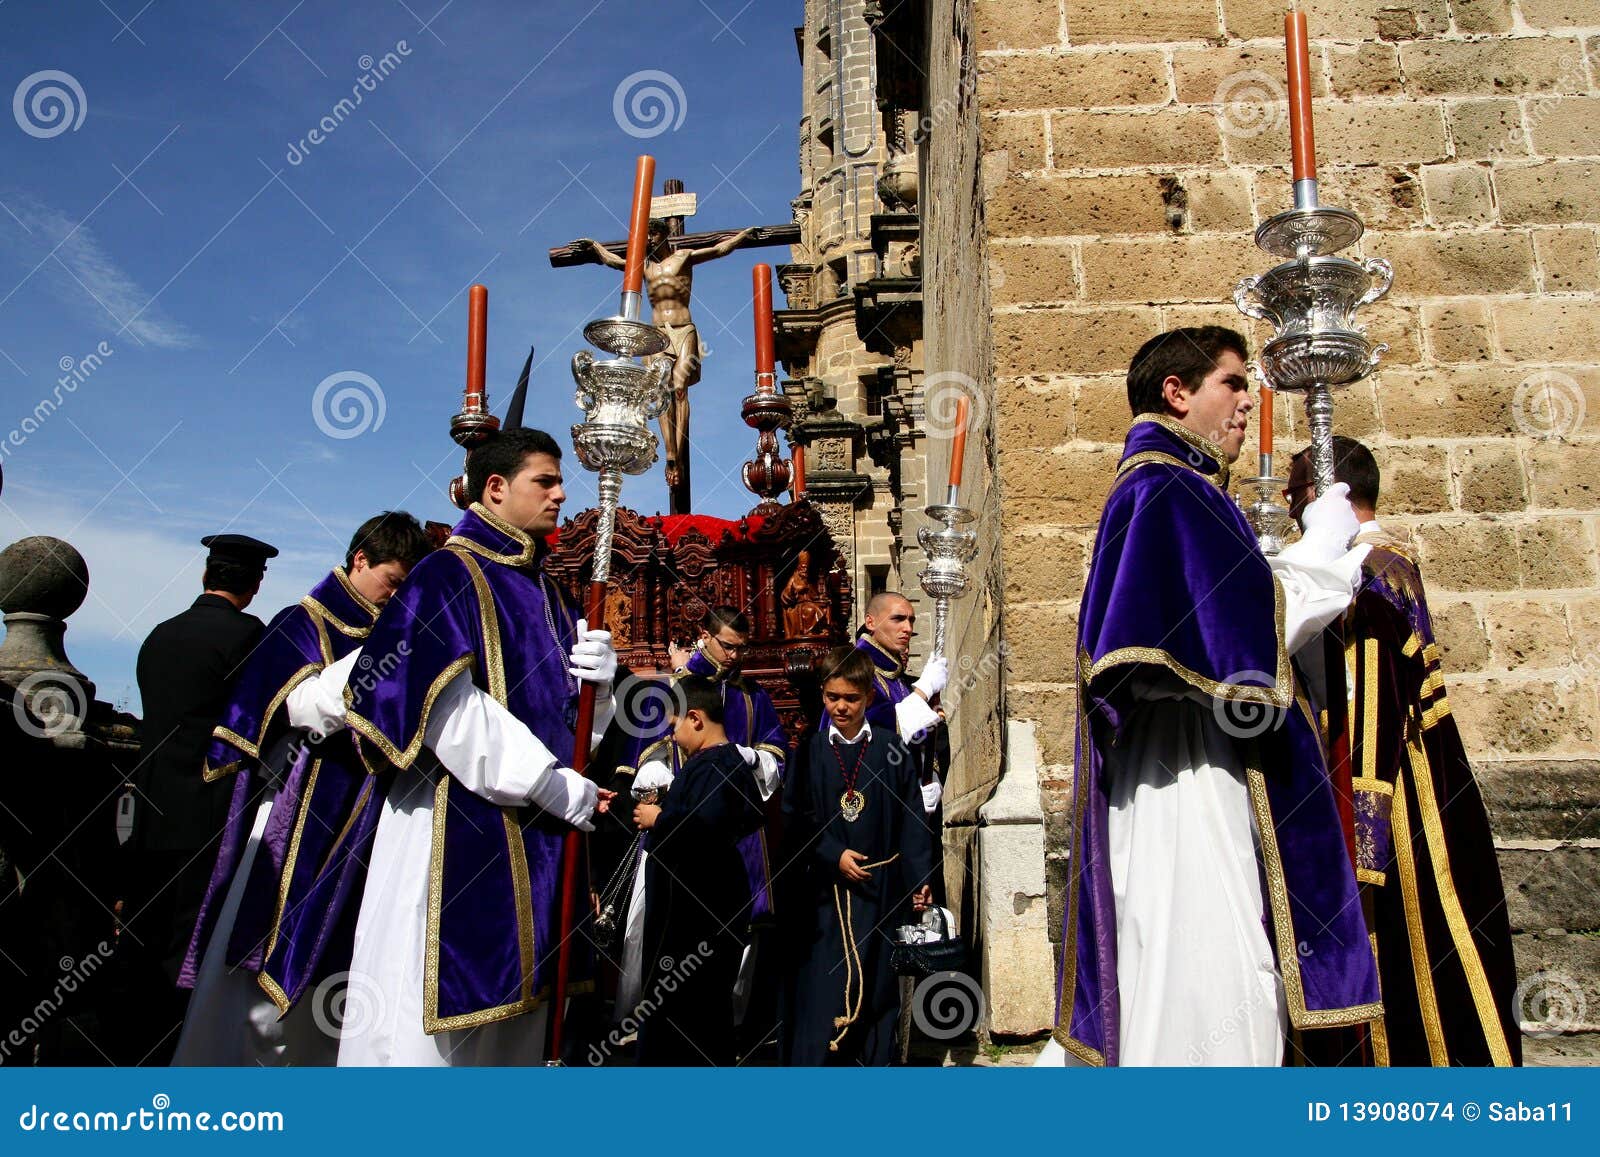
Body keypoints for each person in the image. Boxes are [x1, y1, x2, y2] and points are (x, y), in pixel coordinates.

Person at [1039, 326, 1381, 1067]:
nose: (1245, 403)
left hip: (1201, 764)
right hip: (1181, 781)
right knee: (1207, 980)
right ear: (1177, 391)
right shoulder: (1166, 487)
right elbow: (1232, 624)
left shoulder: (1179, 488)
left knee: (1211, 974)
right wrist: (1322, 552)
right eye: (1232, 383)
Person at [339, 426, 618, 1066]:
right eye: (543, 481)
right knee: (434, 1041)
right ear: (495, 488)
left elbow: (563, 720)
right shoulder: (445, 573)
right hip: (448, 825)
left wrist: (599, 696)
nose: (559, 494)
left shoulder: (547, 590)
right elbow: (446, 708)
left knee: (519, 1037)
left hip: (538, 830)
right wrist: (549, 784)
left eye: (559, 481)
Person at [1285, 437, 1521, 1066]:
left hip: (1395, 789)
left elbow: (1374, 706)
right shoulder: (1391, 558)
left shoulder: (1366, 574)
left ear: (1322, 495)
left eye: (1292, 490)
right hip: (1427, 773)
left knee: (1408, 946)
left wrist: (1362, 846)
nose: (1283, 503)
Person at [172, 512, 431, 1066]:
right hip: (295, 811)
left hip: (363, 817)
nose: (396, 598)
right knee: (263, 960)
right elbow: (278, 710)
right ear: (360, 558)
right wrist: (371, 672)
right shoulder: (302, 621)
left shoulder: (393, 631)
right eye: (391, 582)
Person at [121, 532, 276, 1064]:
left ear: (205, 576)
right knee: (191, 943)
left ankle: (128, 1044)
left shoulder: (160, 635)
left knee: (144, 934)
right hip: (211, 813)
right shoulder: (249, 637)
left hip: (148, 809)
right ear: (255, 584)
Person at [615, 607, 787, 1034]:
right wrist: (652, 770)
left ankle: (730, 1022)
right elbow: (649, 742)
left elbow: (777, 752)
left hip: (729, 831)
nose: (733, 656)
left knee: (733, 926)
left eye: (740, 649)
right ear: (705, 637)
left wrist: (753, 756)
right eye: (727, 645)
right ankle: (642, 1016)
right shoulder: (675, 688)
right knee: (655, 918)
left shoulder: (754, 696)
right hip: (672, 820)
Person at [781, 646, 935, 1065]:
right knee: (825, 985)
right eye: (832, 697)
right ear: (823, 696)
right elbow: (793, 819)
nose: (841, 707)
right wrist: (833, 855)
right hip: (825, 897)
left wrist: (920, 878)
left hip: (881, 891)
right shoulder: (808, 753)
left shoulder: (891, 748)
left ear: (868, 696)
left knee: (878, 983)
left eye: (851, 698)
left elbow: (912, 818)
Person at [631, 675, 766, 1066]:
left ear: (695, 718)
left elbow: (706, 828)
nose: (673, 736)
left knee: (690, 1022)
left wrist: (660, 819)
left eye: (674, 725)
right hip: (692, 921)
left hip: (694, 925)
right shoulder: (713, 764)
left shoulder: (716, 766)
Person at [572, 221, 756, 502]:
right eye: (645, 237)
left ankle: (678, 452)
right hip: (658, 335)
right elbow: (614, 262)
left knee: (679, 387)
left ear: (665, 235)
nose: (649, 240)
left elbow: (720, 250)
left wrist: (743, 236)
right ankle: (671, 455)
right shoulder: (644, 266)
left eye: (653, 234)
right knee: (660, 392)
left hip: (684, 330)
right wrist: (595, 247)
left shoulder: (683, 257)